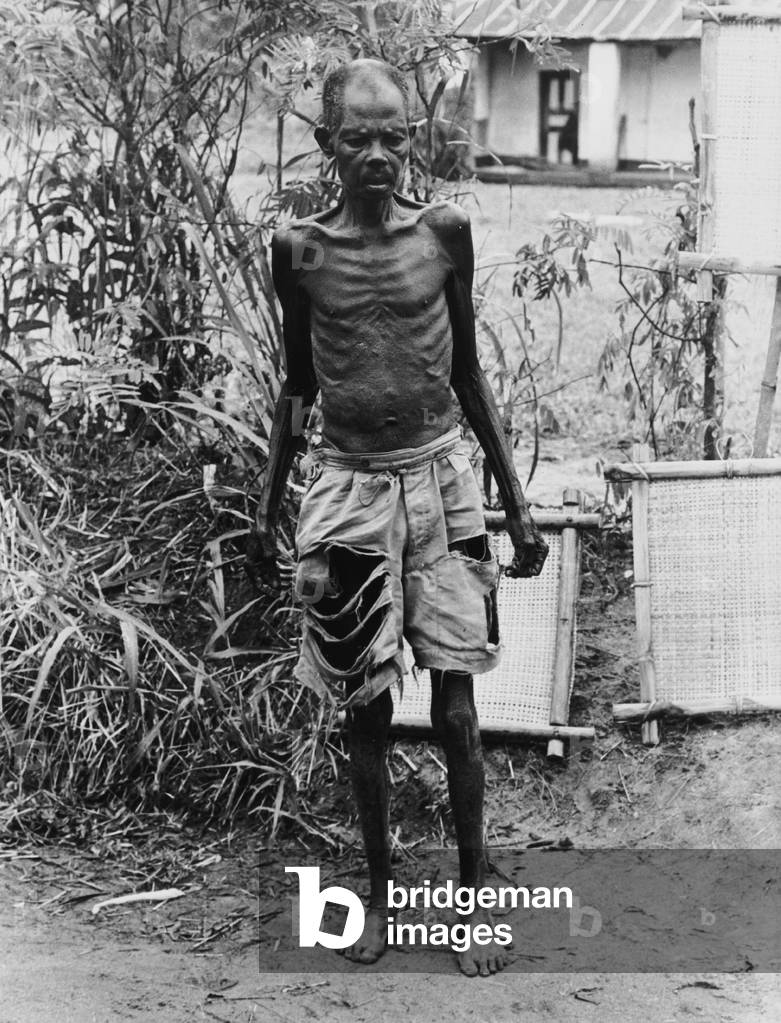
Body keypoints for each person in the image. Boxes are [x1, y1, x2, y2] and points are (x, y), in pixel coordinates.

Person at [250, 57, 548, 977]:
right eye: (357, 138)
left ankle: (465, 902)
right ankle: (379, 895)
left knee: (458, 709)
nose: (376, 155)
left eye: (393, 137)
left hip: (441, 478)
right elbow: (299, 385)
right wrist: (270, 502)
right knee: (364, 709)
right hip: (346, 484)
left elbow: (466, 376)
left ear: (411, 139)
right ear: (326, 144)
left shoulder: (444, 234)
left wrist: (516, 502)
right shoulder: (299, 251)